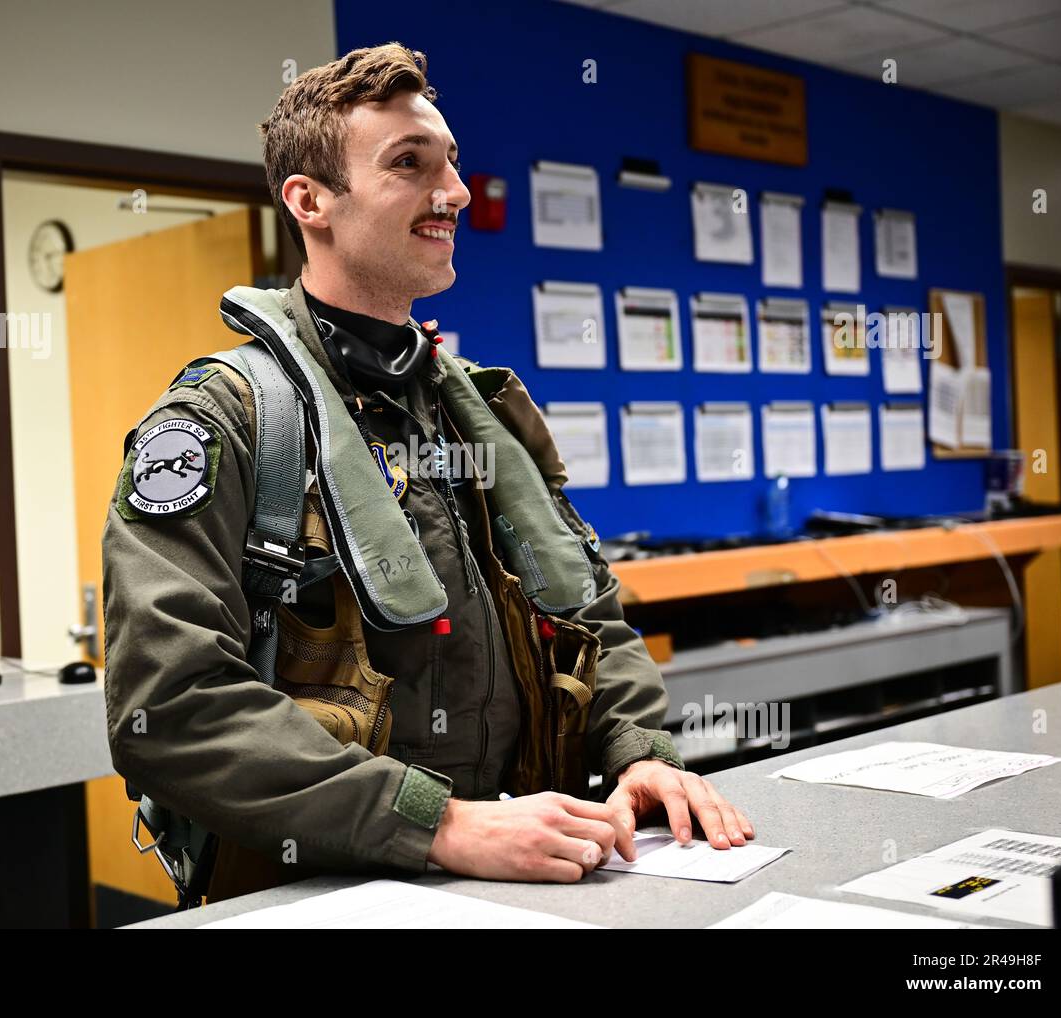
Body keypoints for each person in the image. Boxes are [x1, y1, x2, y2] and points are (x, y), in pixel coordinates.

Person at [102, 42, 754, 900]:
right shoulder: (223, 422)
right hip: (314, 892)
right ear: (311, 201)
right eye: (408, 165)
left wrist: (640, 750)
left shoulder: (472, 410)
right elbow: (171, 709)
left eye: (450, 162)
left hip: (513, 876)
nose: (452, 192)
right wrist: (436, 824)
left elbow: (591, 615)